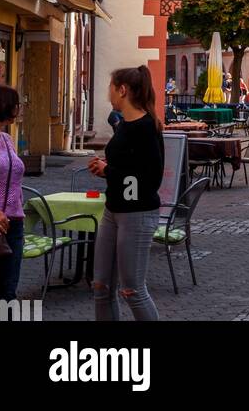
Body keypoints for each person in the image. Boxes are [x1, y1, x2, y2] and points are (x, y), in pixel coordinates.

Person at [88, 65, 165, 322]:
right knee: (101, 286)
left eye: (111, 87)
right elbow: (126, 168)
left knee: (132, 290)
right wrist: (107, 170)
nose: (108, 93)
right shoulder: (123, 125)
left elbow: (148, 178)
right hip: (113, 211)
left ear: (122, 90)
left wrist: (109, 171)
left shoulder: (146, 127)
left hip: (137, 214)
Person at [0, 86, 25, 301]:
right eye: (16, 104)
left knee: (8, 292)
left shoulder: (6, 139)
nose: (19, 108)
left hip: (13, 223)